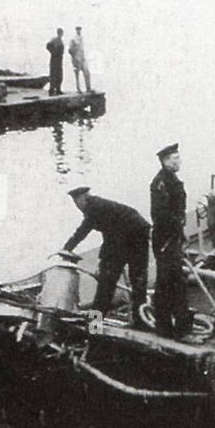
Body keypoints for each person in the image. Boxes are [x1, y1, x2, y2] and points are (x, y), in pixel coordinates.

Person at [61, 187, 151, 327]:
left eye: (77, 203)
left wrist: (67, 248)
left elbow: (83, 231)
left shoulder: (94, 208)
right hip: (137, 236)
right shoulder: (100, 205)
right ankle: (141, 322)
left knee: (105, 285)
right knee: (138, 282)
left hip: (130, 239)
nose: (78, 207)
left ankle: (94, 324)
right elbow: (110, 232)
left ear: (83, 198)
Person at [149, 143, 191, 339]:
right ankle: (93, 327)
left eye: (178, 158)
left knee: (173, 283)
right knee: (168, 284)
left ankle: (175, 329)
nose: (179, 162)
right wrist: (175, 230)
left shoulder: (170, 180)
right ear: (165, 161)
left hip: (167, 240)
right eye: (175, 159)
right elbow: (161, 215)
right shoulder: (161, 183)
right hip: (166, 241)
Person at [68, 26, 91, 92]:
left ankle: (88, 88)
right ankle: (78, 88)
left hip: (82, 58)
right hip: (76, 59)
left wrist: (83, 57)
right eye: (78, 30)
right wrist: (74, 58)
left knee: (87, 73)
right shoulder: (73, 39)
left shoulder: (81, 38)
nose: (79, 31)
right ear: (76, 30)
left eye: (80, 30)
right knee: (77, 74)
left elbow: (82, 49)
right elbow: (70, 50)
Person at [46, 28, 64, 95]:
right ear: (58, 33)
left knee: (59, 75)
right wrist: (53, 52)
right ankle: (51, 90)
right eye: (60, 32)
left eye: (62, 33)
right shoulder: (54, 39)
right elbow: (48, 46)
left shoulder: (60, 40)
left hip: (59, 60)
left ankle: (58, 89)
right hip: (54, 60)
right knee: (53, 75)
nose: (61, 34)